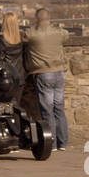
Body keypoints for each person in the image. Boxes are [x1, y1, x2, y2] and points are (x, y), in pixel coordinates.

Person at [24, 8, 68, 151]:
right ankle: (63, 143)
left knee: (47, 110)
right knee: (59, 108)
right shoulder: (57, 32)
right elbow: (66, 35)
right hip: (59, 72)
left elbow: (22, 38)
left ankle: (52, 143)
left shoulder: (32, 33)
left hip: (43, 73)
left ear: (37, 19)